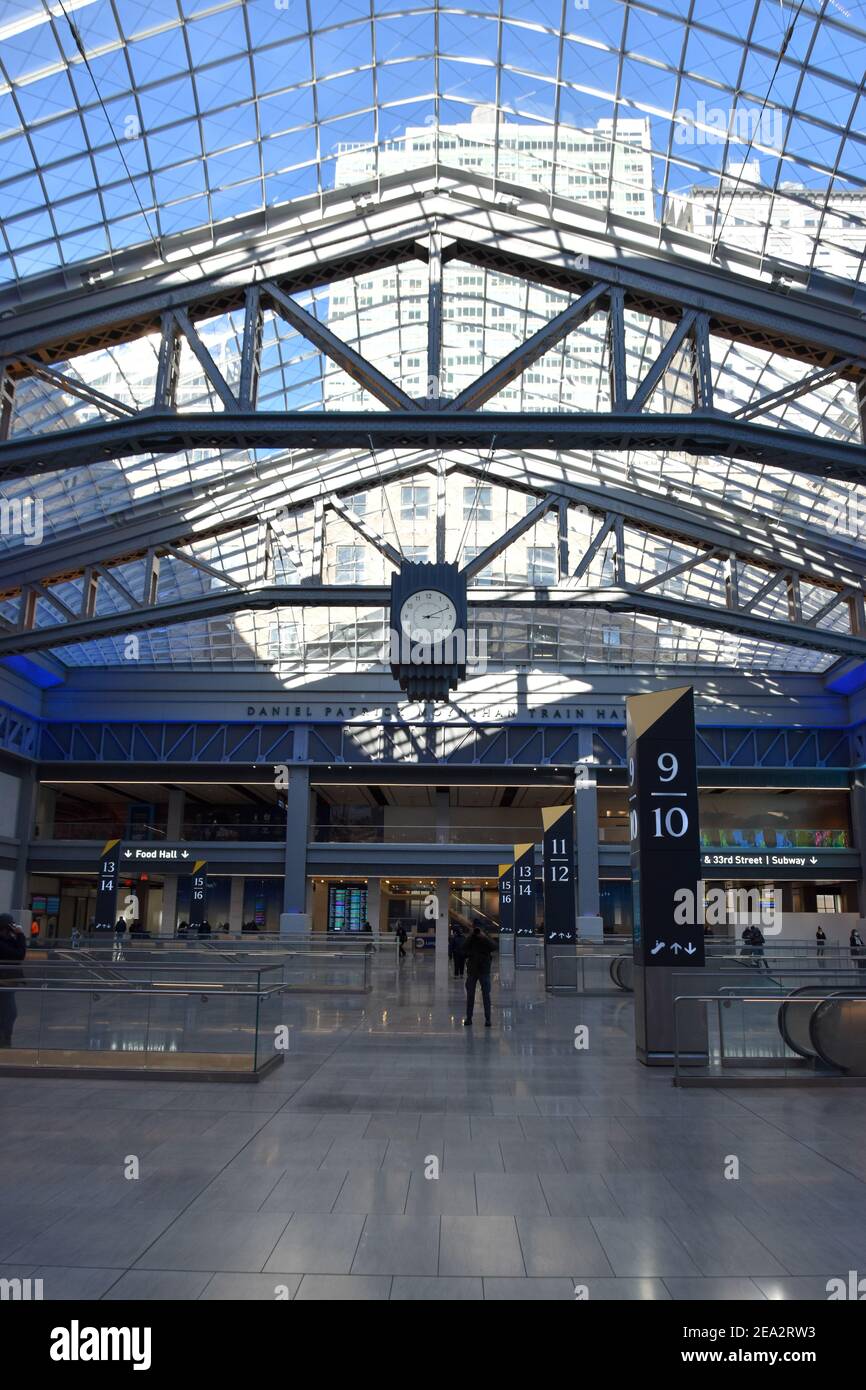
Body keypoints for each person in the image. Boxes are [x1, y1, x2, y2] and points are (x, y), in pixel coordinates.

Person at [0, 913, 26, 1048]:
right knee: (9, 1012)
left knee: (8, 1012)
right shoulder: (2, 942)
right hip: (3, 982)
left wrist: (16, 936)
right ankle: (4, 1039)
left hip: (7, 982)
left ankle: (5, 1038)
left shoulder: (7, 939)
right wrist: (20, 935)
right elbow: (19, 954)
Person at [463, 919, 495, 1027]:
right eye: (475, 928)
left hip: (484, 970)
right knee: (470, 995)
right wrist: (471, 936)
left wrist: (484, 937)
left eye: (479, 928)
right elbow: (463, 948)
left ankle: (488, 1019)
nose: (477, 930)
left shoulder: (486, 936)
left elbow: (494, 947)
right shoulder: (471, 938)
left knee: (486, 995)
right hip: (472, 970)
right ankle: (468, 1018)